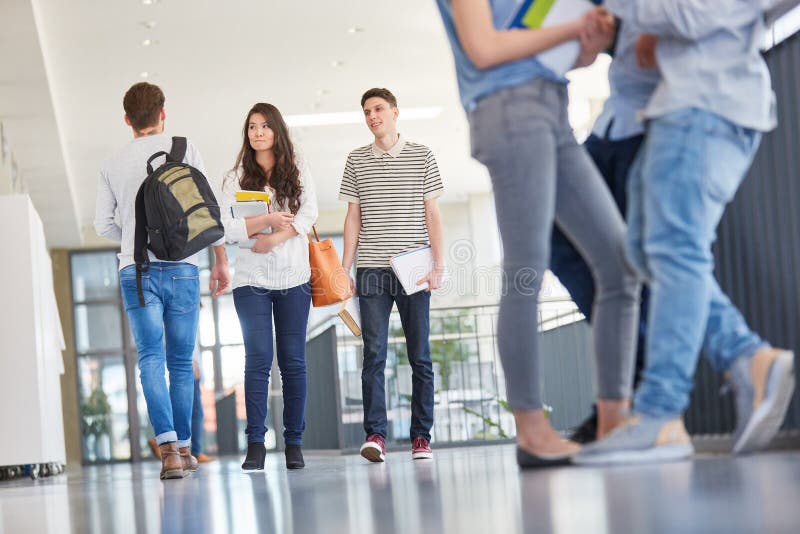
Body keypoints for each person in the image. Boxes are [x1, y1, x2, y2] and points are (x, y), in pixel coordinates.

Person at [576, 1, 796, 465]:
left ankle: (662, 414)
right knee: (643, 248)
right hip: (684, 101)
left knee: (675, 250)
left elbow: (689, 12)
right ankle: (747, 357)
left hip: (706, 102)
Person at [435, 0, 641, 467]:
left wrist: (588, 39)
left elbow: (558, 52)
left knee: (619, 263)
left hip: (552, 104)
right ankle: (531, 429)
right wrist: (574, 27)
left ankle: (614, 420)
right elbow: (484, 49)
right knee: (525, 269)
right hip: (507, 109)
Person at [95, 82, 230, 480]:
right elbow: (208, 211)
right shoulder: (185, 149)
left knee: (150, 358)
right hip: (183, 267)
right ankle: (186, 448)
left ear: (127, 120)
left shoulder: (111, 164)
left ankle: (168, 451)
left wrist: (134, 234)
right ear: (163, 114)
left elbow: (102, 224)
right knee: (182, 362)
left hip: (136, 271)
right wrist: (220, 261)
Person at [549, 19, 659, 443]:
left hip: (657, 122)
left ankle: (626, 403)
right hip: (612, 124)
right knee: (555, 235)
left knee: (635, 267)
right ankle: (627, 381)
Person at [339, 88, 445, 462]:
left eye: (378, 109)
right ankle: (376, 436)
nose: (372, 116)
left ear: (395, 112)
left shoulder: (422, 155)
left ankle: (421, 438)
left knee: (420, 356)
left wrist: (438, 265)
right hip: (371, 268)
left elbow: (432, 213)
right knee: (374, 355)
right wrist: (344, 269)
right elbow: (353, 217)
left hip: (414, 267)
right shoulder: (356, 159)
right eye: (367, 111)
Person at [220, 103, 318, 471]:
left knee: (293, 361)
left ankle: (294, 443)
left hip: (294, 277)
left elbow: (309, 214)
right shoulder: (234, 179)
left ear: (276, 130)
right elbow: (226, 228)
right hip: (250, 279)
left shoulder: (298, 168)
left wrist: (275, 236)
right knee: (258, 359)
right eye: (251, 127)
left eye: (264, 126)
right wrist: (267, 220)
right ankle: (256, 444)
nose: (258, 132)